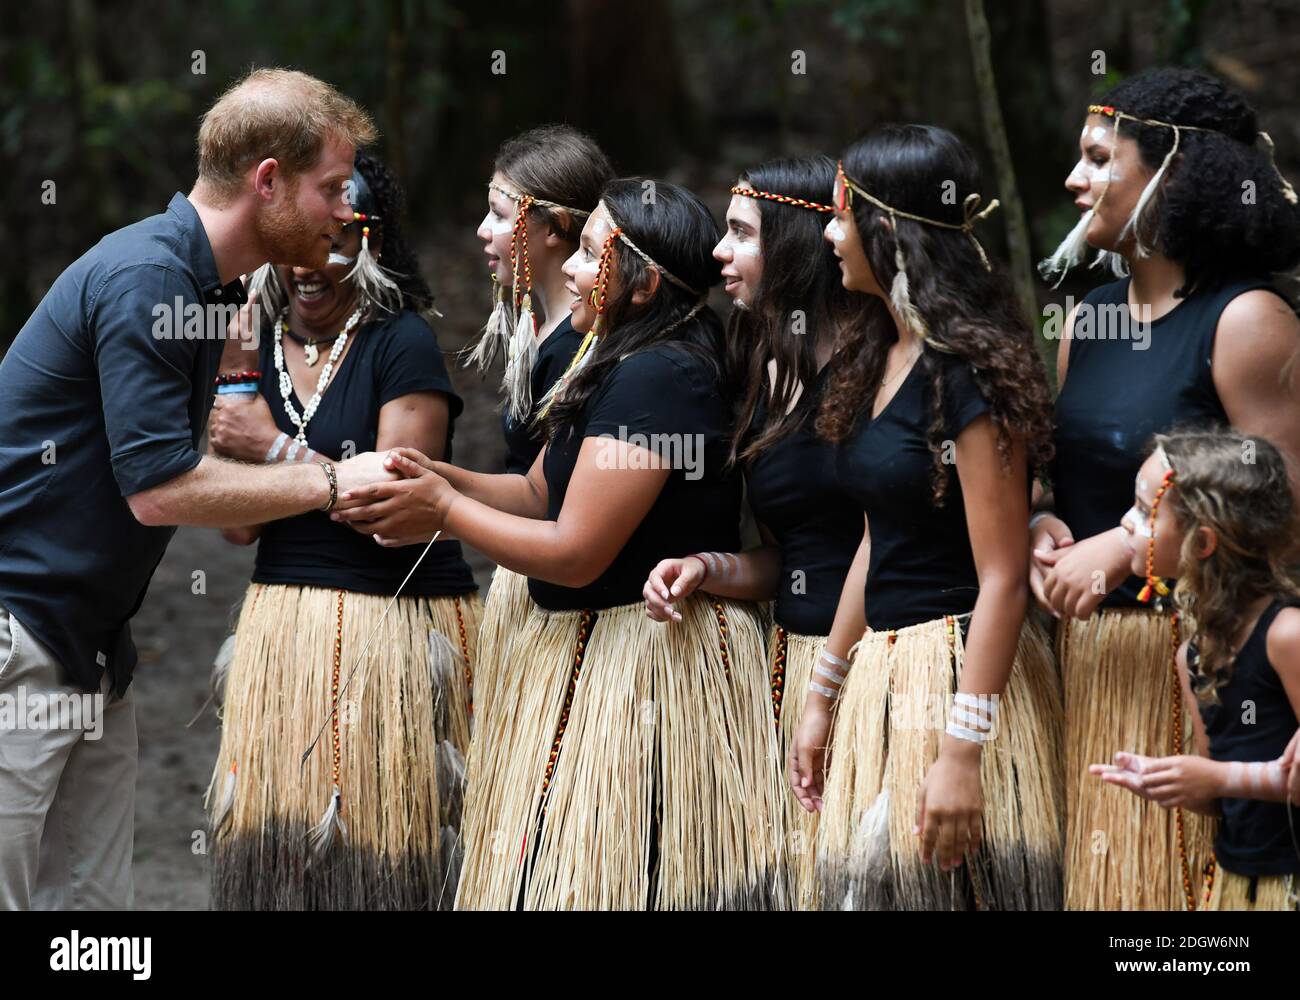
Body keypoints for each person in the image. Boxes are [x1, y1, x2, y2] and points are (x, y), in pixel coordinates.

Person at [0, 68, 391, 911]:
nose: (342, 211)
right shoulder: (148, 277)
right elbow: (159, 489)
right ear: (267, 181)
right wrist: (327, 478)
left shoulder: (205, 288)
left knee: (91, 923)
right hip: (19, 642)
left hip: (90, 652)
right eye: (329, 188)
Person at [333, 179, 784, 909]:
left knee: (629, 877)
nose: (570, 270)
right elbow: (541, 496)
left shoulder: (663, 377)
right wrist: (429, 473)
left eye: (587, 253)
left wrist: (442, 509)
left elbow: (577, 551)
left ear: (640, 284)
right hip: (591, 647)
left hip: (647, 663)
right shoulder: (609, 359)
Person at [1033, 67, 1300, 909]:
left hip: (1201, 672)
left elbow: (1281, 507)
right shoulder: (1088, 319)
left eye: (1099, 158)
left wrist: (1131, 544)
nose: (1075, 181)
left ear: (1171, 173)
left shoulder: (1248, 319)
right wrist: (1044, 519)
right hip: (1090, 667)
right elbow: (1072, 468)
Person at [790, 125, 1064, 911]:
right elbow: (880, 536)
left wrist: (961, 753)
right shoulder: (879, 353)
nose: (829, 233)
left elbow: (1005, 577)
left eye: (842, 215)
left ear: (888, 229)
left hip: (954, 676)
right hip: (884, 674)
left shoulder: (967, 377)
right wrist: (823, 693)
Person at [200, 151, 478, 909]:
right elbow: (239, 531)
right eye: (299, 241)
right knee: (284, 860)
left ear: (374, 243)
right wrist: (231, 386)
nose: (313, 264)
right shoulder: (252, 354)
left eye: (340, 238)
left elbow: (398, 509)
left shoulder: (402, 343)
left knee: (385, 865)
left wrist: (274, 448)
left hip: (389, 631)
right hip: (283, 629)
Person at [642, 156, 859, 908]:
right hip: (793, 665)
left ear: (796, 243)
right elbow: (788, 558)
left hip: (879, 672)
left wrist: (829, 691)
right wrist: (707, 566)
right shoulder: (757, 363)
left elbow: (885, 541)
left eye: (740, 234)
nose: (717, 253)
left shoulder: (879, 365)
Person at [1090, 430, 1300, 910]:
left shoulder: (1287, 636)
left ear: (1201, 542)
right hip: (1234, 886)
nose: (1126, 522)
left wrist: (1217, 778)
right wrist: (1169, 783)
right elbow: (1217, 795)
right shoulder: (1194, 656)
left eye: (1145, 512)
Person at [464, 125, 613, 725]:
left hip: (579, 615)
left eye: (499, 215)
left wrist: (441, 507)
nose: (482, 230)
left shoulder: (582, 352)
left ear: (552, 229)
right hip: (534, 591)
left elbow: (543, 496)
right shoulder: (538, 325)